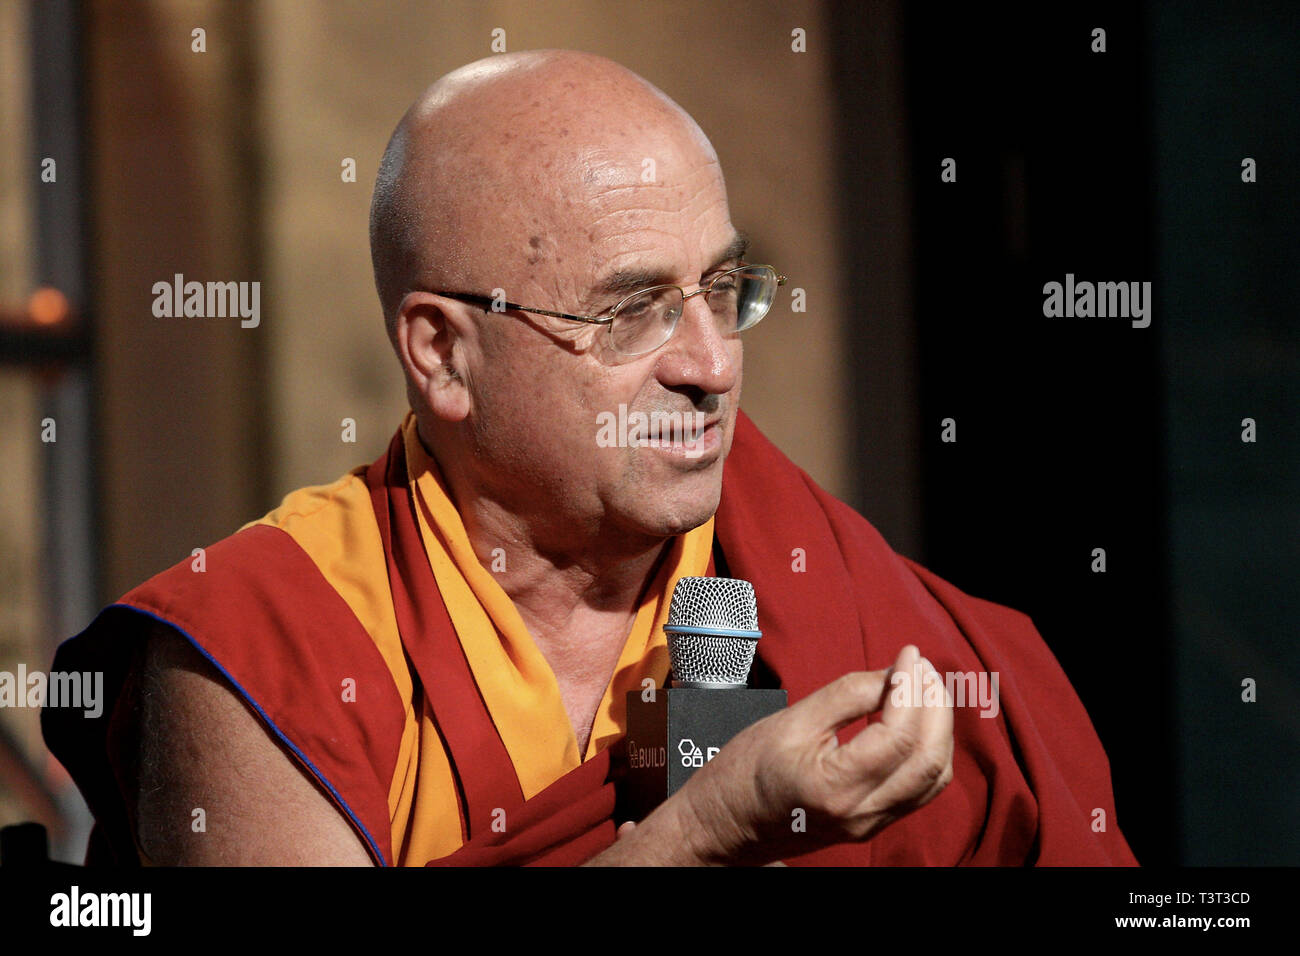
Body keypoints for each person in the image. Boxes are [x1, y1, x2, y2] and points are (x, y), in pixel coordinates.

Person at [42, 49, 1137, 867]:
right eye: (634, 312)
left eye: (723, 289)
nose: (712, 364)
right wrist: (707, 829)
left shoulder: (821, 591)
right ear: (442, 355)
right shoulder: (264, 637)